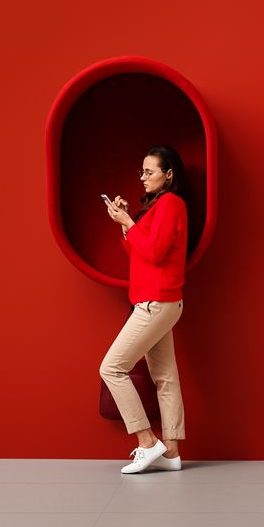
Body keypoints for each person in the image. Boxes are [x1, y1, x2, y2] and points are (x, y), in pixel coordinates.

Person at [99, 145, 188, 474]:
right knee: (165, 377)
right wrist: (126, 223)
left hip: (157, 301)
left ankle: (148, 443)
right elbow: (140, 251)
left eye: (149, 172)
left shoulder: (171, 204)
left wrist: (128, 221)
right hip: (158, 300)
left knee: (111, 368)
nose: (143, 177)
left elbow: (154, 251)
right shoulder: (156, 207)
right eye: (142, 172)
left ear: (168, 175)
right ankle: (172, 455)